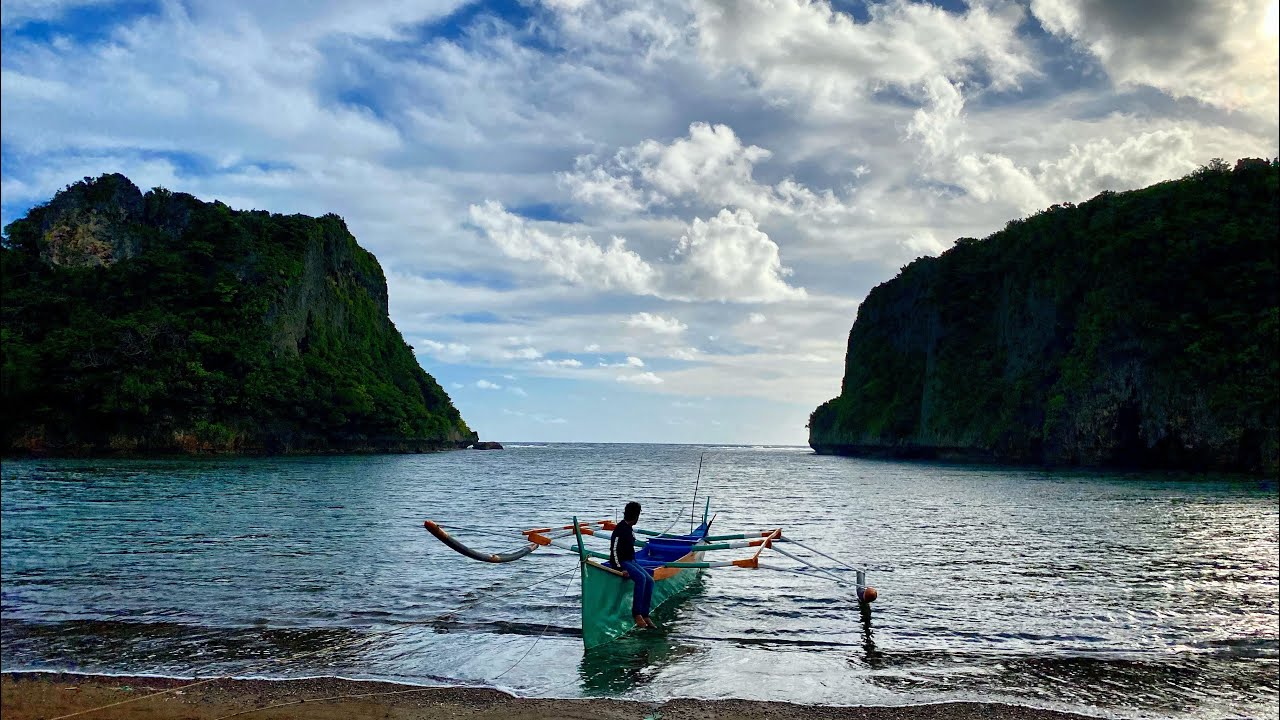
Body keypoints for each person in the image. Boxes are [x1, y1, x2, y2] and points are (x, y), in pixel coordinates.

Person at [611, 501, 656, 629]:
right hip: (622, 562)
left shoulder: (629, 529)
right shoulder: (620, 529)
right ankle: (636, 614)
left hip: (631, 560)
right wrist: (620, 568)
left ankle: (645, 614)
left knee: (650, 581)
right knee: (641, 579)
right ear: (635, 516)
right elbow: (614, 549)